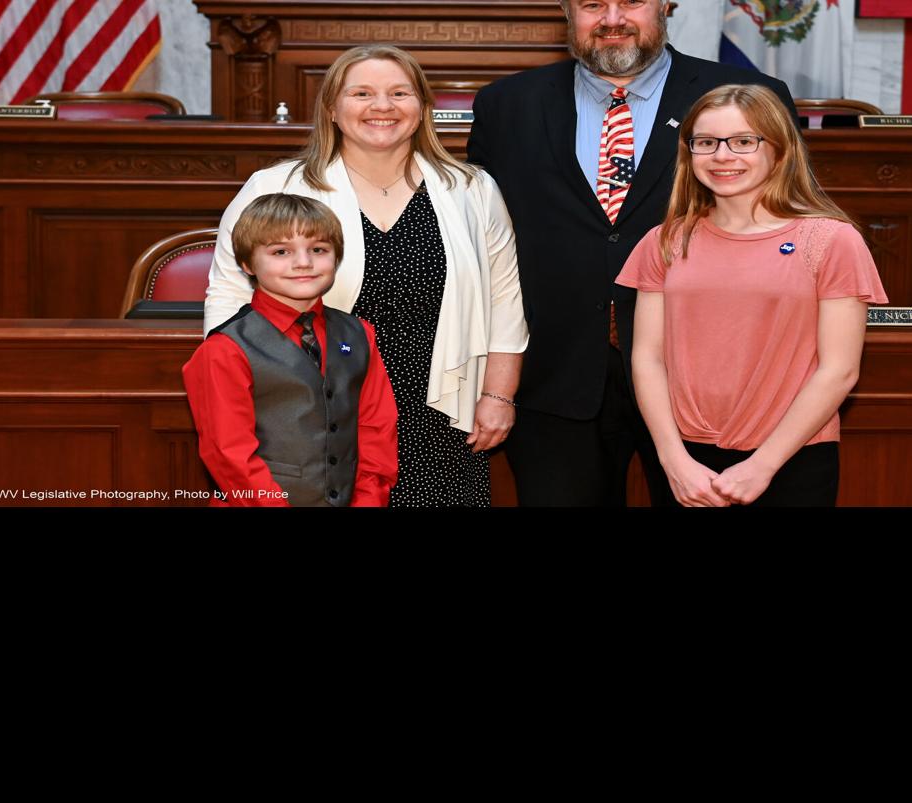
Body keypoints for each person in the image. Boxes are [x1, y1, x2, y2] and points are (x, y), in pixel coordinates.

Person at [467, 0, 797, 506]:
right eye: (593, 4)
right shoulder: (506, 104)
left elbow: (781, 229)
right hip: (555, 382)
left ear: (668, 4)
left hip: (705, 382)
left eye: (632, 1)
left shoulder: (748, 98)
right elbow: (486, 243)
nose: (613, 18)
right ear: (565, 9)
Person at [205, 44, 529, 507]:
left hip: (439, 404)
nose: (382, 107)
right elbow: (229, 293)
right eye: (362, 93)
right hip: (314, 405)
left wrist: (499, 395)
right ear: (333, 108)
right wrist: (249, 393)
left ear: (421, 110)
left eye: (400, 93)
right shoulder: (277, 185)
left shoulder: (471, 189)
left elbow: (504, 298)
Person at [616, 84, 888, 506]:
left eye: (744, 141)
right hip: (686, 463)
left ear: (779, 150)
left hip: (790, 456)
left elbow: (839, 371)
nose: (723, 156)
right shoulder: (666, 240)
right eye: (706, 142)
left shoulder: (831, 241)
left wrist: (762, 465)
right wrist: (673, 460)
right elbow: (647, 358)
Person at [185, 193, 398, 507]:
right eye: (281, 251)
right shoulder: (225, 349)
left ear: (336, 257)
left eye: (318, 249)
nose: (303, 262)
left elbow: (376, 429)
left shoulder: (359, 334)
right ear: (247, 263)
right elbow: (230, 455)